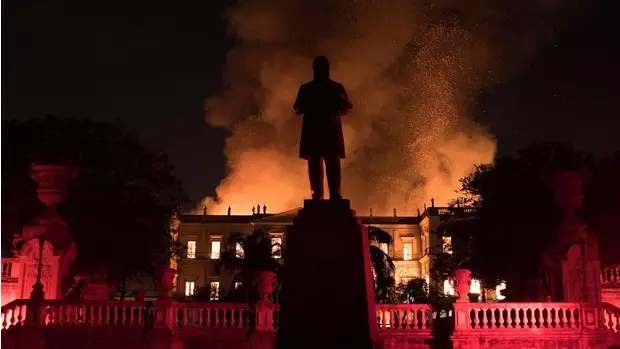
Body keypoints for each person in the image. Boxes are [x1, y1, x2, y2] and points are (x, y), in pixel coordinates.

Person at [294, 56, 352, 200]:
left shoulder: (312, 88)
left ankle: (330, 194)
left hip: (323, 133)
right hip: (320, 133)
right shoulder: (329, 88)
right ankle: (321, 195)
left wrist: (340, 109)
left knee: (329, 164)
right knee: (318, 165)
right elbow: (298, 108)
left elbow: (347, 107)